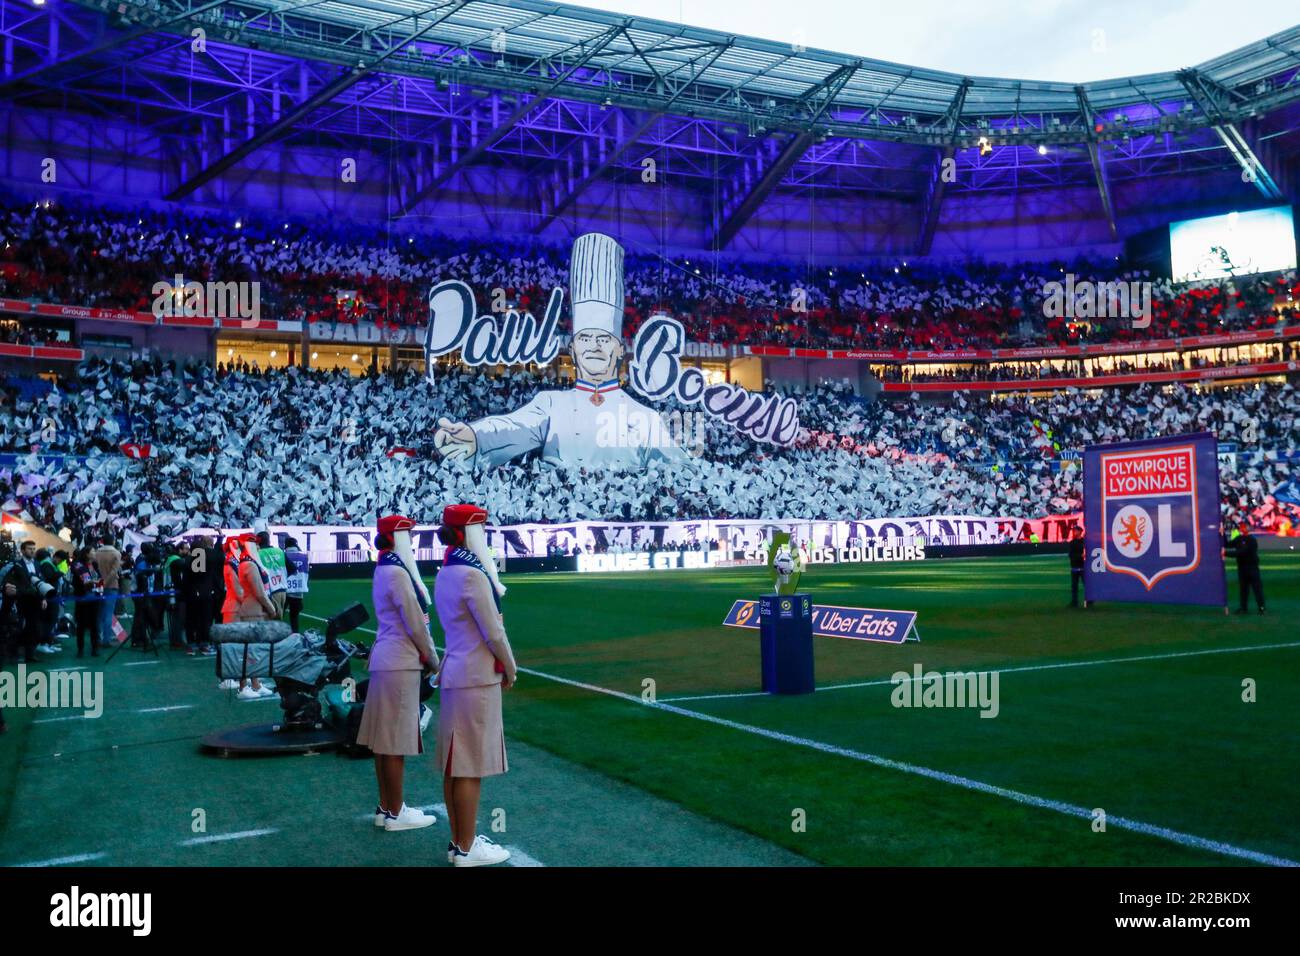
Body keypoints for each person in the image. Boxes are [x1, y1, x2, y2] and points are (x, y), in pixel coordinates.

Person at [434, 503, 516, 867]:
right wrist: (511, 668)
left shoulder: (447, 570)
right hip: (476, 675)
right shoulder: (471, 574)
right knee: (470, 766)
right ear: (468, 531)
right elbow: (494, 632)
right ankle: (466, 848)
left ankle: (459, 842)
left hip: (456, 671)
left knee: (457, 764)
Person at [359, 515, 439, 832]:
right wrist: (434, 660)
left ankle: (386, 807)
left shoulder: (384, 567)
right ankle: (395, 811)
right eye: (408, 534)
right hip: (400, 661)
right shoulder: (397, 572)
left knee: (384, 741)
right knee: (395, 742)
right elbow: (416, 624)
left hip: (387, 659)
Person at [221, 535, 276, 699]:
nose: (258, 548)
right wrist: (268, 607)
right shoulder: (235, 564)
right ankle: (243, 685)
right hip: (238, 609)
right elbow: (241, 592)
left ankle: (254, 683)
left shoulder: (238, 563)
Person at [91, 535, 122, 651]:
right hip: (111, 585)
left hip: (97, 585)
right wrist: (106, 582)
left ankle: (97, 638)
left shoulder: (96, 553)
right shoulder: (116, 553)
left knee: (99, 613)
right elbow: (114, 572)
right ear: (113, 541)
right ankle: (106, 639)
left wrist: (101, 583)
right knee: (109, 613)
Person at [70, 546, 101, 657]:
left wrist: (99, 582)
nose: (95, 553)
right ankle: (80, 649)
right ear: (87, 554)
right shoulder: (77, 564)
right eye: (93, 551)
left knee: (94, 624)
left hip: (94, 597)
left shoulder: (94, 565)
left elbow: (98, 578)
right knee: (81, 625)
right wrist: (94, 581)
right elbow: (86, 580)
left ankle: (95, 648)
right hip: (82, 598)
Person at [1227, 524, 1265, 614]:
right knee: (1243, 589)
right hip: (1242, 567)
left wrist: (1226, 553)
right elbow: (1227, 544)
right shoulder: (1238, 539)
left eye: (1245, 527)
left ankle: (1261, 608)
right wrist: (1222, 534)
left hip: (1252, 567)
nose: (1243, 528)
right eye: (1242, 527)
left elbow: (1242, 552)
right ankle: (1243, 608)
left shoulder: (1252, 540)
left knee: (1257, 588)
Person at [283, 537, 309, 633]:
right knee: (294, 617)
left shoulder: (283, 555)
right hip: (298, 590)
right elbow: (306, 573)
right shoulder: (304, 556)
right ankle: (296, 637)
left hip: (285, 590)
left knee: (278, 616)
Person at [1068, 527, 1087, 608]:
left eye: (1075, 530)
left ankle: (1089, 601)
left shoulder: (1085, 542)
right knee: (1074, 586)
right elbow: (1071, 555)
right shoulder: (1072, 543)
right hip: (1075, 567)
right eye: (1073, 531)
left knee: (1086, 585)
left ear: (1080, 532)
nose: (1074, 532)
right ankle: (1074, 601)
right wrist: (1080, 556)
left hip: (1083, 567)